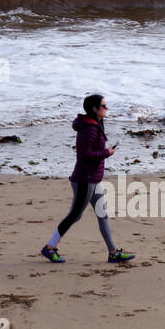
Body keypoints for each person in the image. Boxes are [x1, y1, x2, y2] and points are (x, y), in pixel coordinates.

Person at [40, 93, 135, 264]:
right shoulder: (89, 129)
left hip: (94, 179)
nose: (107, 109)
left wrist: (106, 151)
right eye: (104, 106)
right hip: (84, 180)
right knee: (75, 215)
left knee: (103, 215)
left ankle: (113, 252)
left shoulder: (95, 125)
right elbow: (84, 155)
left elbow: (92, 151)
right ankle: (49, 247)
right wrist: (107, 152)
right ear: (94, 109)